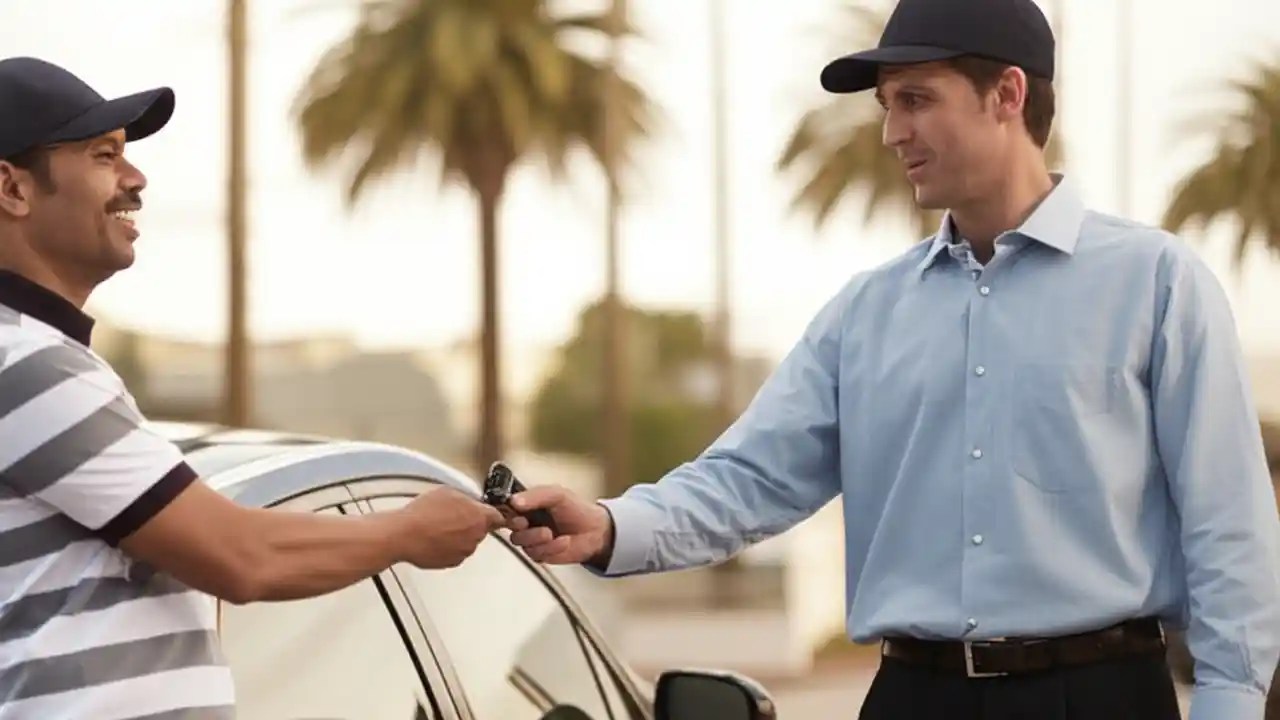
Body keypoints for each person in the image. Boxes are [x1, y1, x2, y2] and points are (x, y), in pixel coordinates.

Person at [505, 0, 1280, 718]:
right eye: (887, 106)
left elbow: (1229, 524)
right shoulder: (865, 313)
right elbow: (749, 478)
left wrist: (1230, 703)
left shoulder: (1155, 283)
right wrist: (609, 526)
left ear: (1007, 95)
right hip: (912, 698)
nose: (890, 133)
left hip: (1101, 697)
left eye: (916, 100)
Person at [0, 56, 503, 719]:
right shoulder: (25, 363)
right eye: (103, 155)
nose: (136, 178)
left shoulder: (42, 359)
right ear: (12, 189)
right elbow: (240, 555)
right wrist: (410, 530)